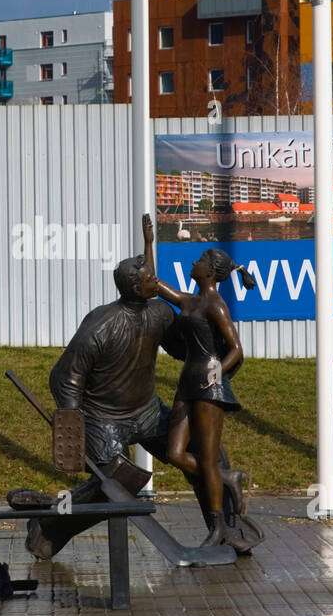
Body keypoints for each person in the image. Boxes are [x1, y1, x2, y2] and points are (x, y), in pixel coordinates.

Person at [25, 214, 256, 559]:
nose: (156, 278)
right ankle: (48, 527)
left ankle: (226, 530)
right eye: (150, 277)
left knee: (207, 452)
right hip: (106, 419)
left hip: (148, 412)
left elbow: (185, 346)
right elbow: (65, 376)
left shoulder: (159, 314)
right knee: (117, 482)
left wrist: (218, 360)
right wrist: (73, 427)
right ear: (138, 288)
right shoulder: (101, 325)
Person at [154, 247, 256, 550]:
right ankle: (228, 477)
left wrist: (217, 372)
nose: (194, 263)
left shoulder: (216, 305)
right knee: (173, 453)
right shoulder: (189, 300)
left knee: (208, 461)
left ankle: (218, 527)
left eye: (199, 261)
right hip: (187, 384)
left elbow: (236, 348)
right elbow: (155, 284)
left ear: (210, 271)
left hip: (209, 389)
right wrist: (149, 243)